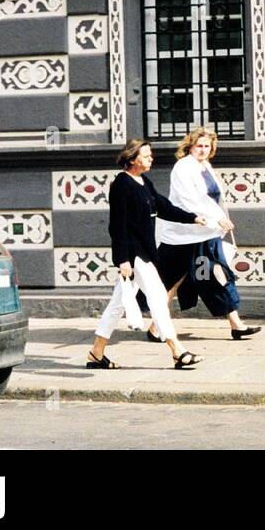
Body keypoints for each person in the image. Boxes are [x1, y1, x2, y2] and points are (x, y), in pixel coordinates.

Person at [86, 139, 228, 370]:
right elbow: (117, 226)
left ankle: (96, 352)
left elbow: (163, 206)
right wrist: (122, 259)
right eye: (146, 156)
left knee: (117, 305)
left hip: (144, 254)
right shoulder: (122, 184)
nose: (151, 159)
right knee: (158, 299)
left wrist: (192, 217)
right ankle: (177, 351)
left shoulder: (143, 182)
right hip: (133, 256)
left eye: (150, 155)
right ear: (132, 160)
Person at [151, 126, 262, 341]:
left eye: (206, 146)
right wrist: (215, 219)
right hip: (184, 235)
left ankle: (236, 324)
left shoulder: (205, 166)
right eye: (199, 146)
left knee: (217, 274)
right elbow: (190, 200)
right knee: (174, 282)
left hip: (205, 234)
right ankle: (156, 327)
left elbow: (216, 199)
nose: (202, 150)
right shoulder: (183, 168)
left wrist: (221, 221)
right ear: (190, 146)